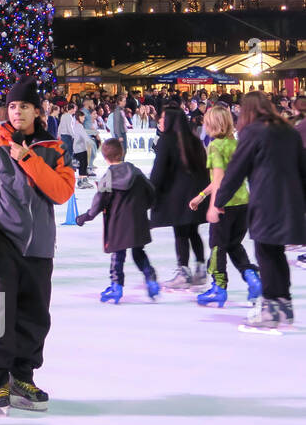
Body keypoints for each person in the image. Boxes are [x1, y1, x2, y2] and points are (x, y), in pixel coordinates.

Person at [0, 76, 75, 411]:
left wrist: (28, 158)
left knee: (35, 312)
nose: (17, 112)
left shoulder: (54, 149)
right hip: (3, 242)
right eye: (12, 106)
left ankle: (23, 375)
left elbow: (61, 192)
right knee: (1, 311)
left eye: (24, 106)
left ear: (37, 111)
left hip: (39, 245)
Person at [213, 92, 306, 332]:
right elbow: (302, 168)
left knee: (265, 253)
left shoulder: (253, 131)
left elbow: (236, 170)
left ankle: (271, 309)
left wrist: (219, 201)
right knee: (275, 253)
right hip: (291, 201)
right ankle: (284, 305)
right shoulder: (288, 131)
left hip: (267, 201)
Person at [189, 104, 259, 307]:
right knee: (234, 245)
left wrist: (213, 206)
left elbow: (219, 180)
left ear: (212, 124)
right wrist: (201, 195)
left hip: (224, 205)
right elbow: (228, 178)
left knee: (218, 246)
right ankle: (252, 278)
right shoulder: (235, 144)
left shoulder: (215, 146)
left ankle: (218, 288)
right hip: (243, 203)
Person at [76, 138, 160, 304]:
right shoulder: (135, 172)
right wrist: (144, 208)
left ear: (105, 157)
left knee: (118, 255)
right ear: (122, 153)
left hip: (117, 223)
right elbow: (151, 191)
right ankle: (150, 278)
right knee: (138, 252)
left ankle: (116, 286)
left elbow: (98, 204)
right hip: (138, 221)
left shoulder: (107, 177)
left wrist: (83, 217)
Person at [150, 103, 210, 291]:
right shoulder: (193, 139)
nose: (160, 121)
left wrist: (151, 191)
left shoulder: (167, 140)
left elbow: (158, 171)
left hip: (177, 196)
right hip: (196, 194)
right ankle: (200, 269)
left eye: (162, 118)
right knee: (193, 231)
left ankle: (183, 272)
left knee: (181, 233)